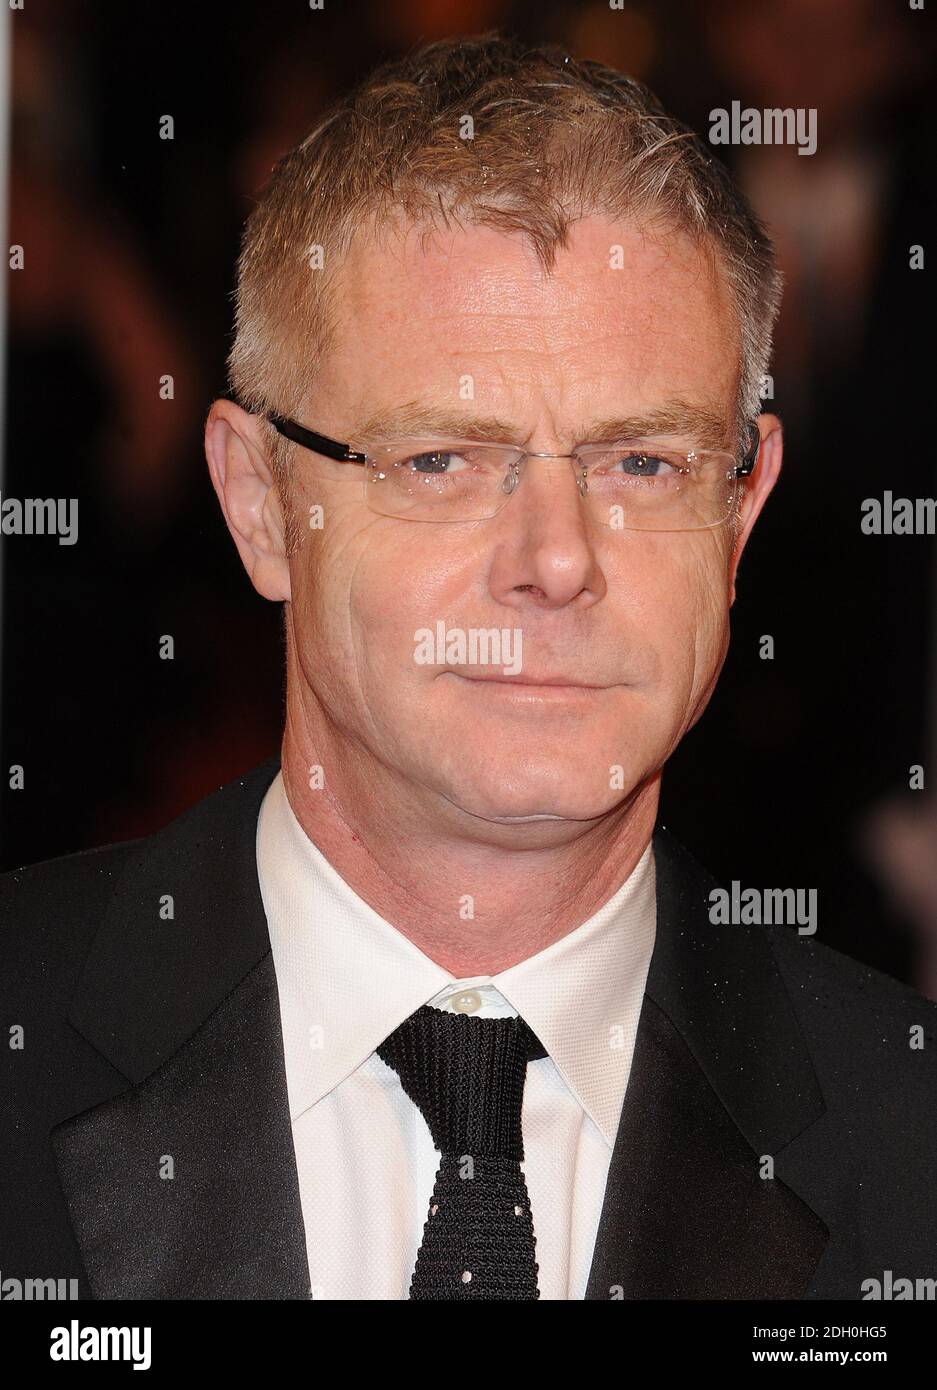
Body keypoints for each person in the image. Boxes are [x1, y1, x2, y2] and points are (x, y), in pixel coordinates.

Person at [3, 33, 936, 1302]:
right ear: (260, 505)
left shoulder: (907, 1132)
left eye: (641, 464)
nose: (556, 562)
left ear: (740, 514)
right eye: (441, 458)